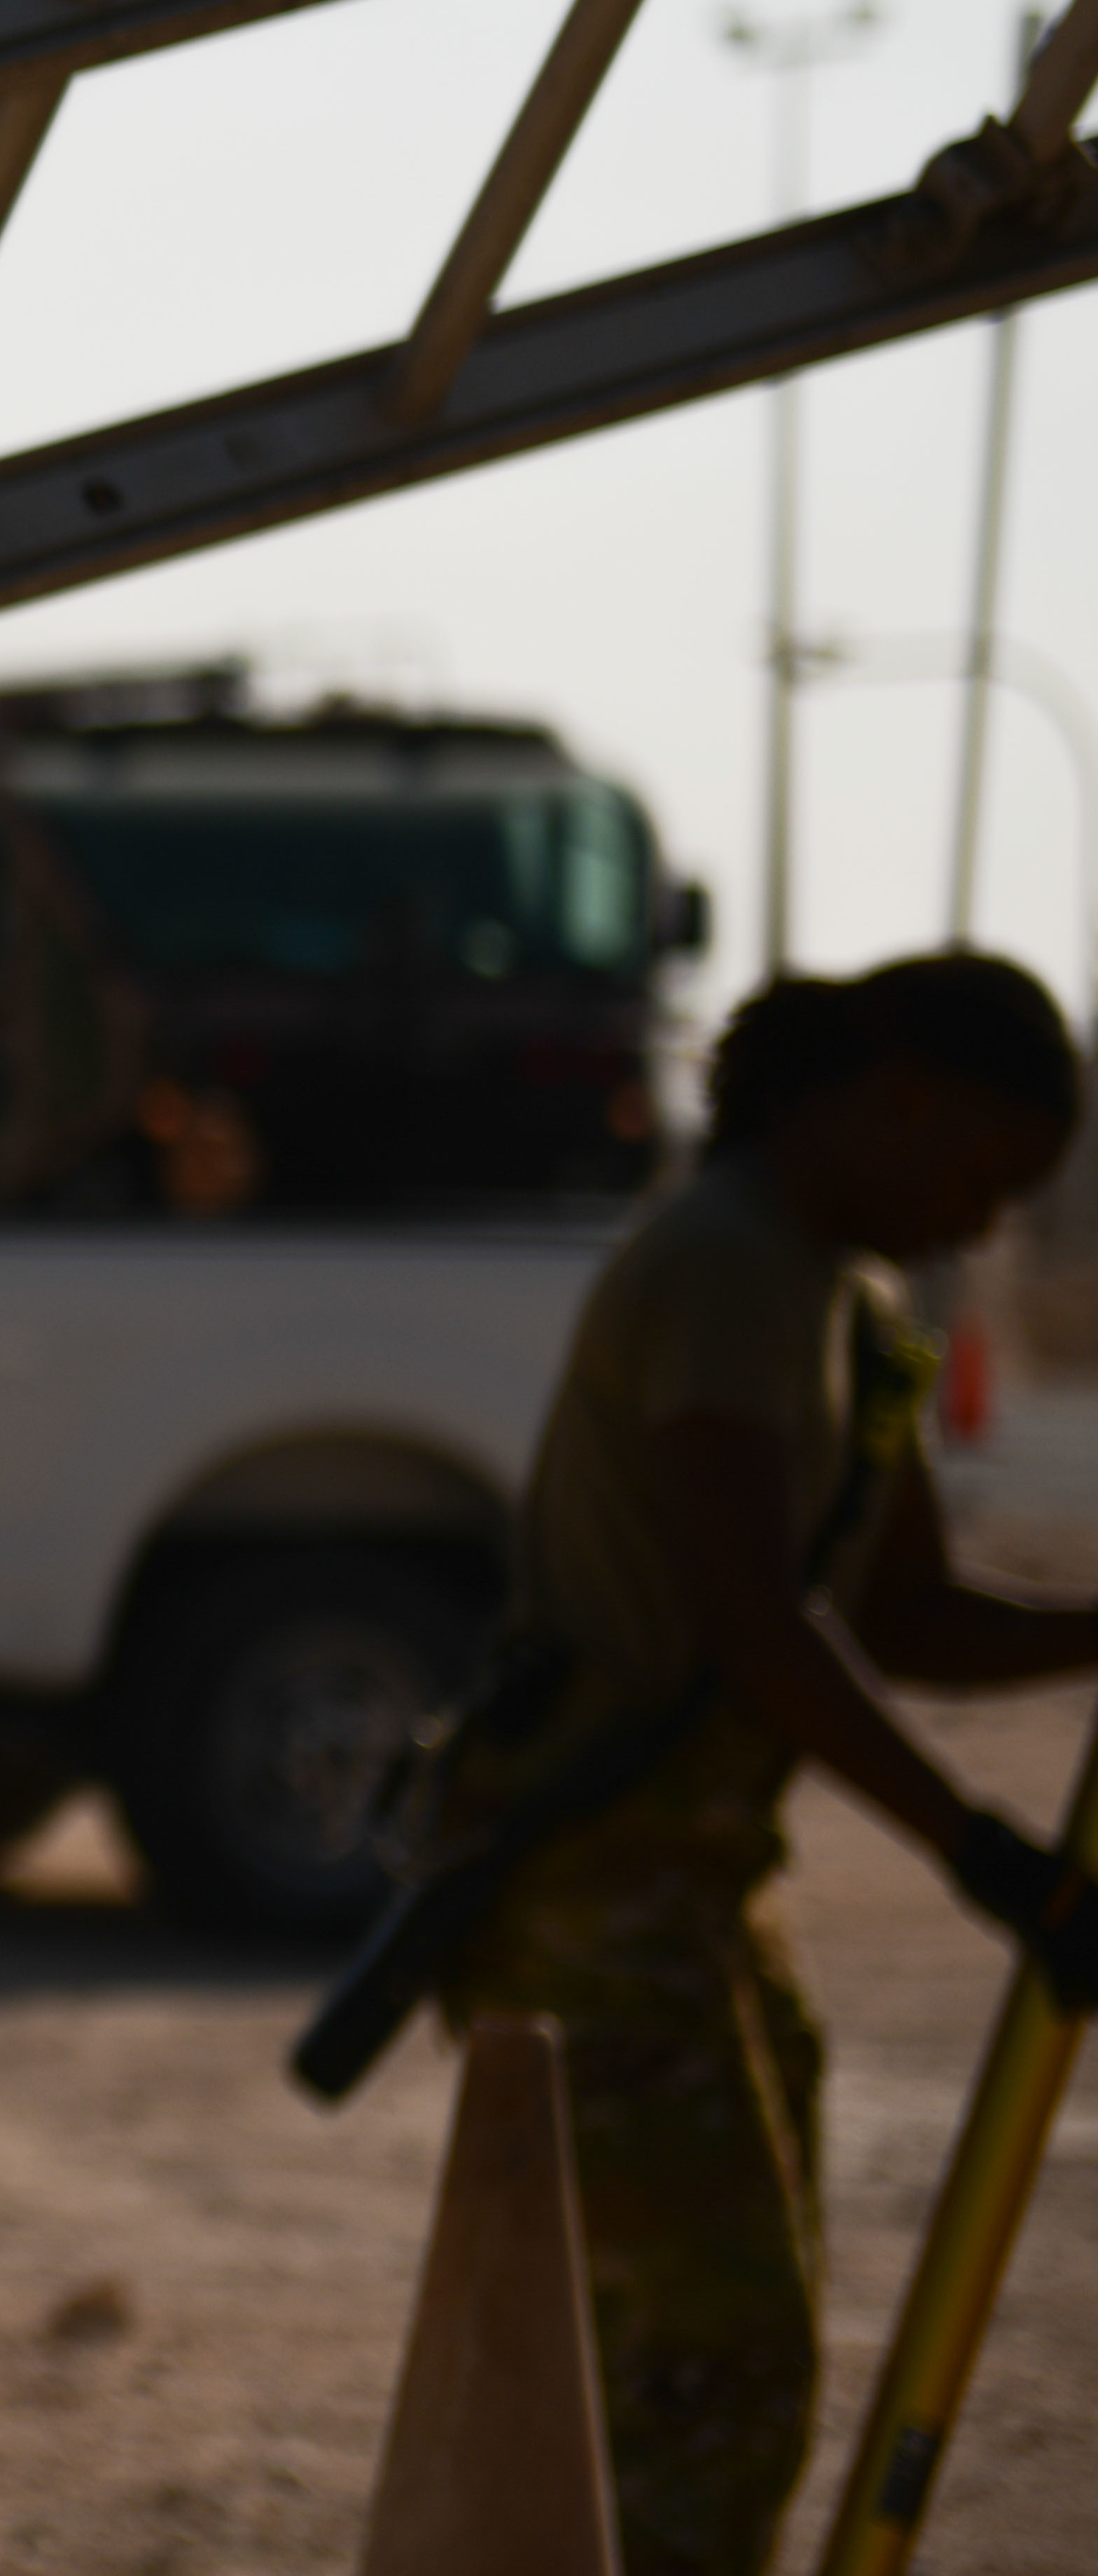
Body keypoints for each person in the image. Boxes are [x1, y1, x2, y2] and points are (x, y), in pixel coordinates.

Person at [436, 950, 1098, 2576]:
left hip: (701, 1899)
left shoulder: (845, 1306)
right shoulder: (725, 1269)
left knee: (734, 2356)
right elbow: (755, 1622)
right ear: (899, 1099)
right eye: (976, 1175)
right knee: (704, 2376)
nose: (976, 1226)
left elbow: (909, 1613)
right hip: (596, 1904)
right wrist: (980, 1851)